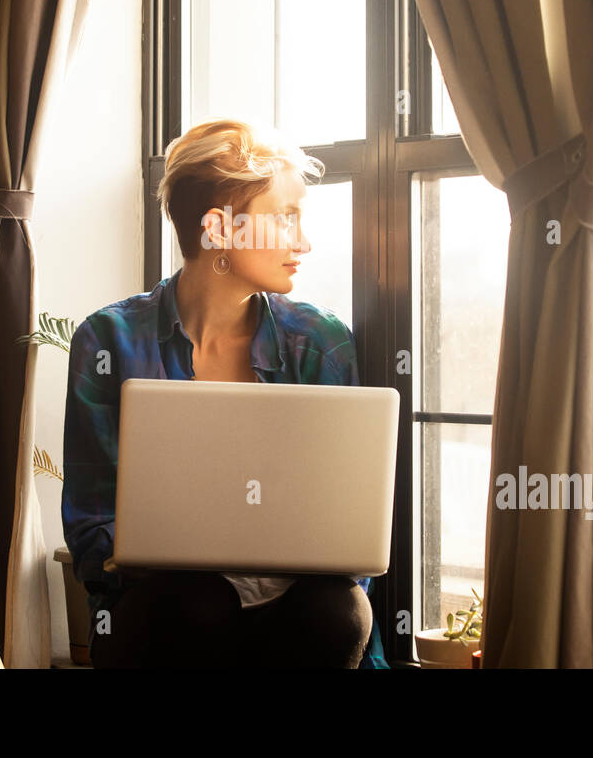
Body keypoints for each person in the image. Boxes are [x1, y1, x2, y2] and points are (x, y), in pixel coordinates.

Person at [61, 118, 388, 668]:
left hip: (298, 607)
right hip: (165, 606)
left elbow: (349, 533)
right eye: (285, 218)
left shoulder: (320, 342)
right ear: (217, 230)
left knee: (339, 610)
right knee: (198, 602)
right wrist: (156, 557)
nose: (302, 241)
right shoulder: (109, 340)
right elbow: (93, 523)